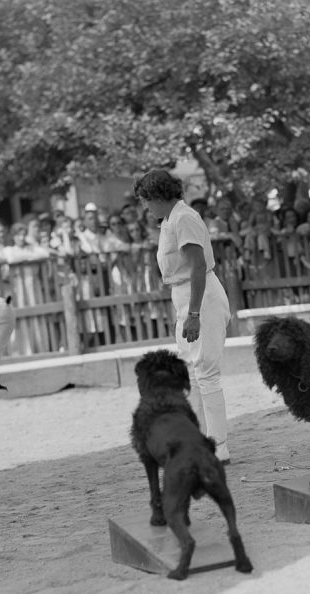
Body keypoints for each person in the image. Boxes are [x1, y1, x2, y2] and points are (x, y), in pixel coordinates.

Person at [134, 168, 233, 464]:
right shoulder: (169, 220)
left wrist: (193, 312)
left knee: (206, 372)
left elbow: (198, 267)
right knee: (192, 372)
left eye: (145, 200)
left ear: (157, 195)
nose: (144, 206)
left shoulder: (184, 217)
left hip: (199, 296)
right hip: (184, 295)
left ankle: (219, 445)